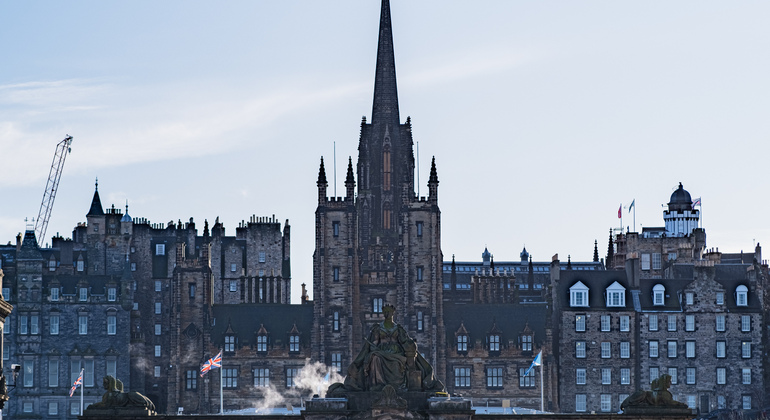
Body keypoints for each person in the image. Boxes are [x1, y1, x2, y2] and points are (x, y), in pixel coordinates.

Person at [330, 304, 444, 394]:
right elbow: (372, 344)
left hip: (396, 352)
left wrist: (410, 344)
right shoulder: (378, 328)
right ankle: (378, 385)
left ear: (393, 314)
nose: (387, 314)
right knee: (374, 357)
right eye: (385, 312)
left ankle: (398, 385)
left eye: (389, 312)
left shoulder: (398, 328)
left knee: (397, 361)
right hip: (380, 351)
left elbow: (405, 342)